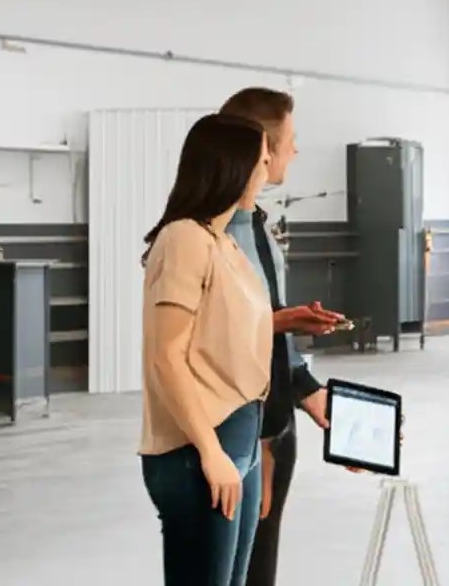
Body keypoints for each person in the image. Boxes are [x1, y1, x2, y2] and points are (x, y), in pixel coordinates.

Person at [138, 113, 275, 586]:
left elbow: (225, 331)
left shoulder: (223, 243)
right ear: (234, 167)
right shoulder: (185, 239)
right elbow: (166, 356)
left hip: (239, 437)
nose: (268, 167)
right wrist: (211, 452)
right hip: (198, 448)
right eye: (261, 159)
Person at [219, 87, 343, 586]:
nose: (295, 150)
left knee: (260, 566)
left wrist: (308, 391)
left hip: (275, 425)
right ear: (263, 148)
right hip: (236, 433)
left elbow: (274, 341)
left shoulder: (261, 230)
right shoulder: (214, 237)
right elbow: (208, 340)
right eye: (290, 139)